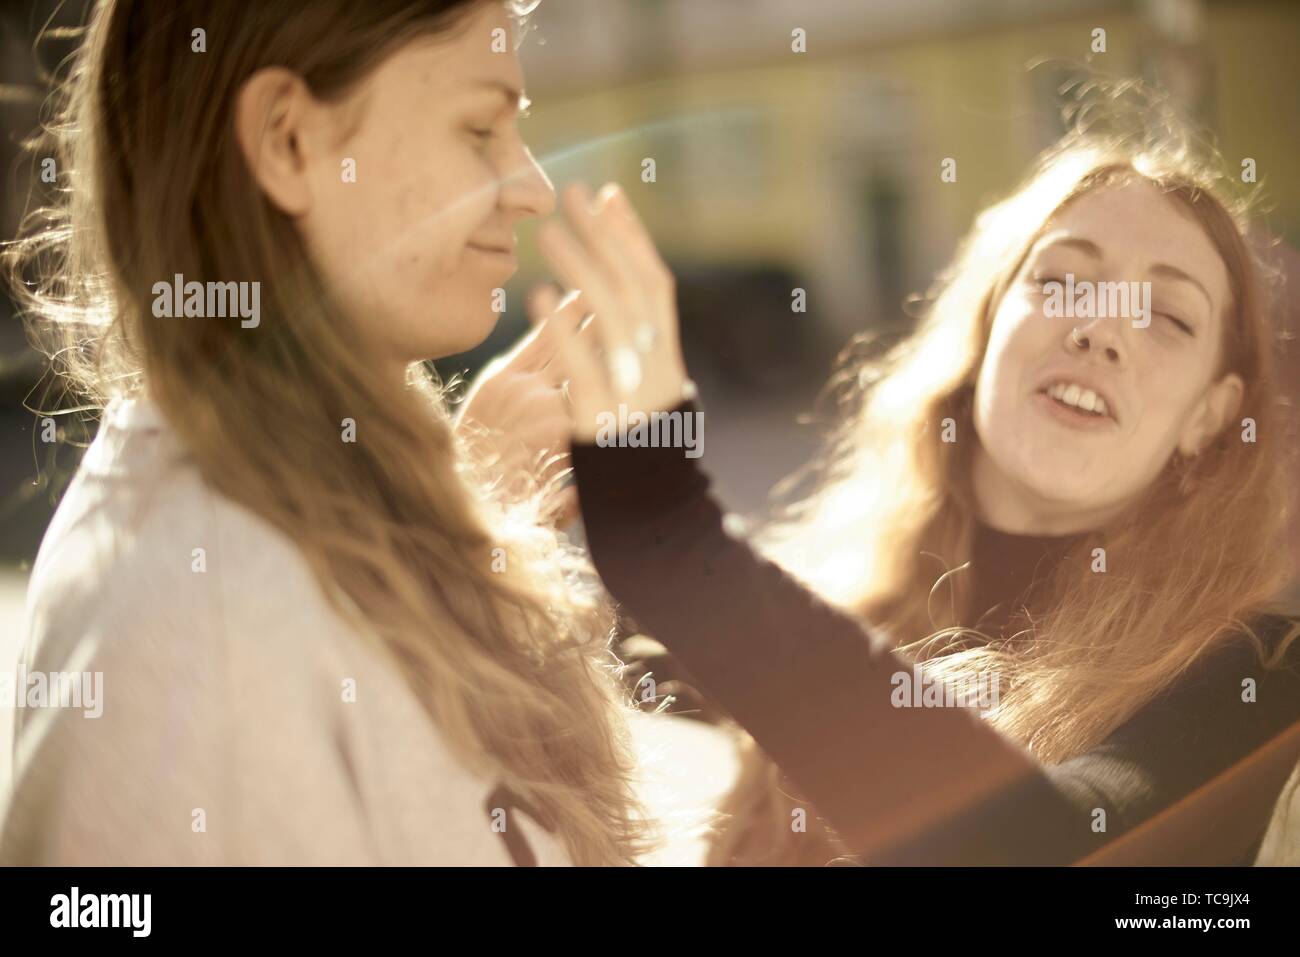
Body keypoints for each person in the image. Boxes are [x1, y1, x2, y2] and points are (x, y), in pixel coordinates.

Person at [1, 0, 654, 866]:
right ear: (288, 143)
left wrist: (462, 517)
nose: (531, 184)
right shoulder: (201, 638)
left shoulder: (286, 521)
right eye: (480, 128)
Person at [533, 130, 1300, 865]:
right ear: (987, 321)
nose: (1102, 330)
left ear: (1210, 413)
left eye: (1167, 316)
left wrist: (676, 542)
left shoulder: (1258, 672)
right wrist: (476, 498)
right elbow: (574, 665)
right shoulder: (842, 592)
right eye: (1063, 281)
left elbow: (1054, 850)